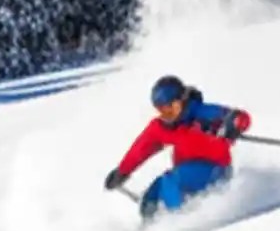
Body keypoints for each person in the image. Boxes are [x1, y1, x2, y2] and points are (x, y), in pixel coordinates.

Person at [104, 75, 252, 221]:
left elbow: (241, 118)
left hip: (215, 169)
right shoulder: (162, 127)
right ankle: (150, 224)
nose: (169, 116)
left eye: (172, 109)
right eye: (163, 111)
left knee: (171, 181)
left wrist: (233, 125)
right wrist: (122, 171)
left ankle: (178, 219)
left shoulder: (202, 113)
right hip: (185, 173)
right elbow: (141, 148)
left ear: (183, 100)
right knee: (152, 194)